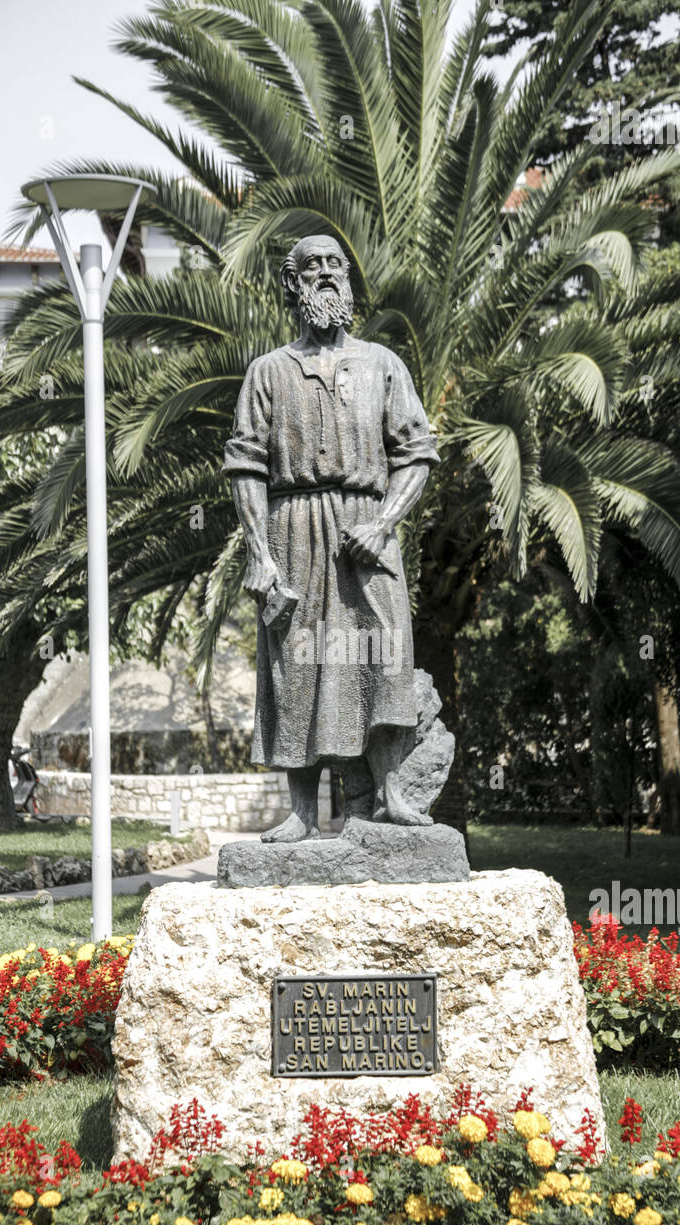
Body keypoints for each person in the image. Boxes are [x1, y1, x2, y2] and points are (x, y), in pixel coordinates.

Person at [223, 234, 440, 841]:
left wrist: (385, 521)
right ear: (292, 285)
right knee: (297, 662)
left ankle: (392, 793)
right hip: (292, 530)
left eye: (334, 266)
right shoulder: (268, 371)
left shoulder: (383, 365)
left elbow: (417, 455)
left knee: (385, 653)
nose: (324, 276)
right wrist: (259, 553)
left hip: (367, 531)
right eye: (310, 267)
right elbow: (245, 467)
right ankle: (300, 812)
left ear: (348, 280)